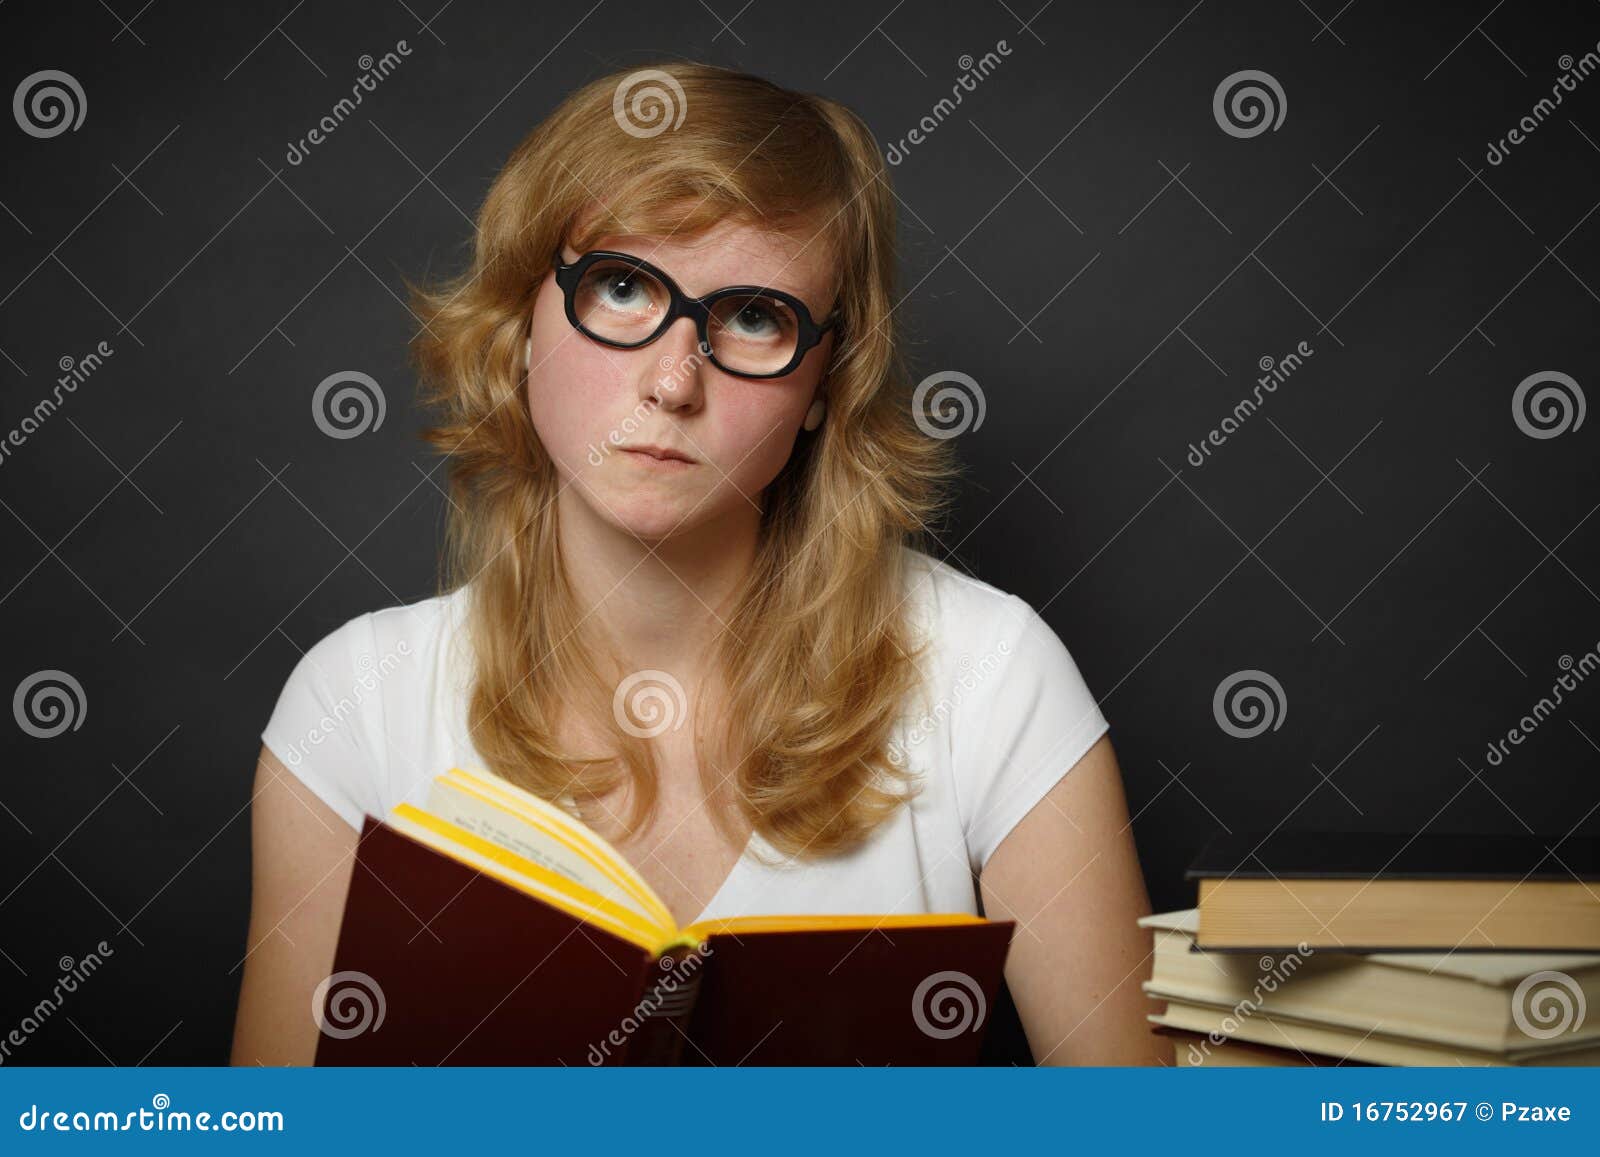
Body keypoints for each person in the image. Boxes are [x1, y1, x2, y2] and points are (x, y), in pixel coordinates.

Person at [231, 60, 1163, 1066]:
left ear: (822, 383)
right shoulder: (353, 702)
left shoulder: (992, 674)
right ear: (520, 323)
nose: (675, 380)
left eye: (755, 316)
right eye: (622, 286)